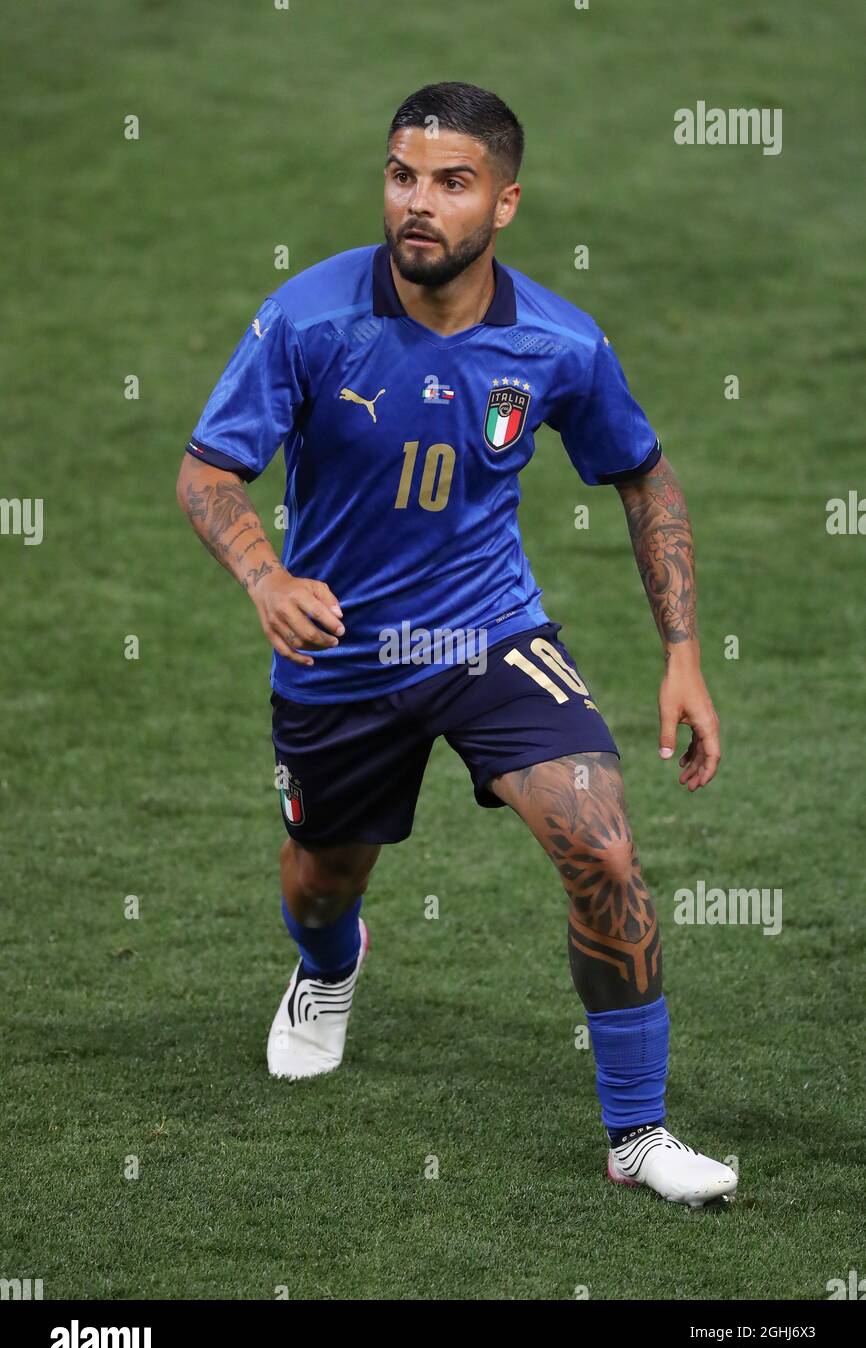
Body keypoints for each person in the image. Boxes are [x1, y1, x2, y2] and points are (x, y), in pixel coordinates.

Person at [177, 81, 735, 1209]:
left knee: (601, 845)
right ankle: (329, 972)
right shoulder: (308, 318)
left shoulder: (554, 342)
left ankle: (634, 1133)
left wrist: (681, 651)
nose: (416, 204)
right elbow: (207, 472)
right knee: (322, 884)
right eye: (399, 176)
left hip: (487, 632)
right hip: (339, 653)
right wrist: (265, 574)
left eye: (449, 182)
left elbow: (640, 471)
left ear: (505, 202)